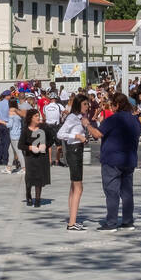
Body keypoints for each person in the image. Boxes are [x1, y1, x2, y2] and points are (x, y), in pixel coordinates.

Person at [84, 93, 141, 230]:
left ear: (117, 105)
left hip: (112, 159)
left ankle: (111, 223)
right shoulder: (135, 120)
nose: (112, 108)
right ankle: (128, 221)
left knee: (112, 192)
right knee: (127, 192)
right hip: (129, 159)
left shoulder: (113, 119)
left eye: (112, 105)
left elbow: (98, 134)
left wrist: (87, 125)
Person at [58, 96, 89, 230]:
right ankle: (72, 223)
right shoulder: (72, 118)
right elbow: (60, 134)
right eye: (85, 104)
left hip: (77, 150)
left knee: (73, 186)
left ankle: (72, 218)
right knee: (78, 187)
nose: (87, 106)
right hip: (74, 150)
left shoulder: (78, 118)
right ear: (78, 105)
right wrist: (77, 136)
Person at [19, 108, 52, 206]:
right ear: (31, 118)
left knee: (39, 177)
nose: (38, 118)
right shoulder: (25, 130)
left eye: (39, 116)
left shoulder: (44, 127)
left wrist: (45, 145)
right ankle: (28, 195)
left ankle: (38, 199)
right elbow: (20, 145)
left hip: (42, 156)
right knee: (29, 177)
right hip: (30, 157)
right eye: (36, 116)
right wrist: (30, 147)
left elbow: (52, 139)